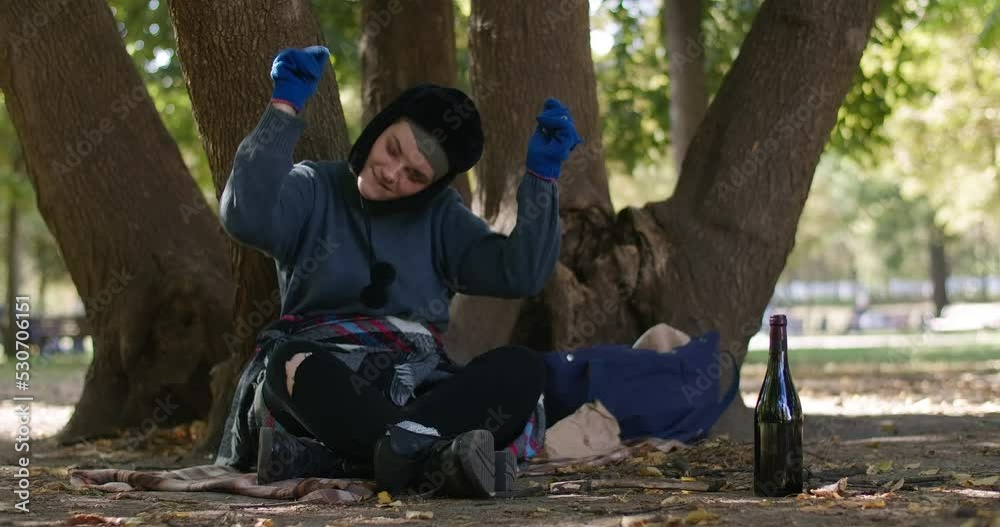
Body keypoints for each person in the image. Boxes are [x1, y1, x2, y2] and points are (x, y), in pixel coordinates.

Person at [215, 45, 582, 499]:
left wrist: (542, 177)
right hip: (326, 380)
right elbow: (245, 216)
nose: (391, 174)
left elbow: (519, 274)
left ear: (432, 187)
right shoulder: (314, 187)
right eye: (392, 150)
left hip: (418, 384)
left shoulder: (441, 215)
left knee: (521, 369)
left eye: (414, 175)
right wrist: (284, 106)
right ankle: (438, 461)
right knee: (290, 363)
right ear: (378, 128)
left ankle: (359, 456)